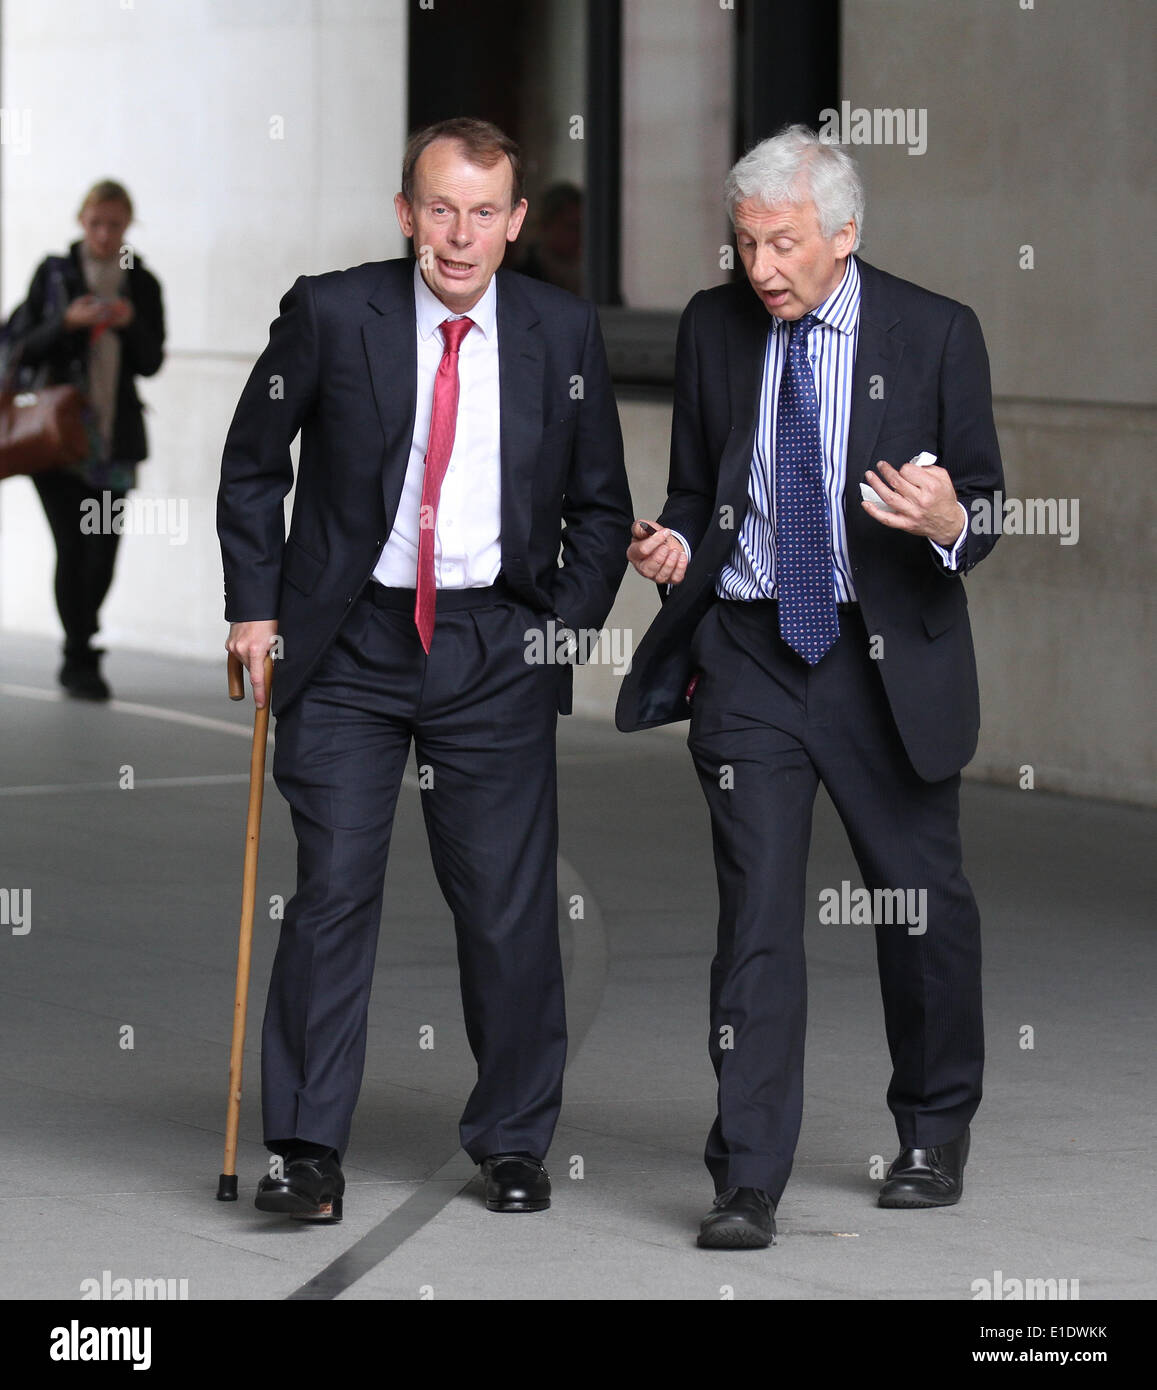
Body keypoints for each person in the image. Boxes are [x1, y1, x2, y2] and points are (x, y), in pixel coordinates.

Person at [218, 118, 631, 1223]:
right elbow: (255, 462)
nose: (459, 235)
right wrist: (255, 605)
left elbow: (600, 506)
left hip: (493, 643)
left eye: (483, 211)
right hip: (349, 641)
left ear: (514, 222)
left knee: (505, 906)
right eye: (438, 208)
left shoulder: (559, 328)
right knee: (332, 893)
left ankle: (510, 1139)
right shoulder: (330, 310)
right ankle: (304, 1150)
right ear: (406, 212)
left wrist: (561, 630)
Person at [617, 125, 1004, 1249]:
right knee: (754, 921)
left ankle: (931, 1129)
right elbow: (698, 486)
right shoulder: (712, 325)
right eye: (745, 244)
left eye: (782, 242)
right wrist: (678, 546)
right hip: (747, 654)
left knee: (917, 903)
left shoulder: (932, 333)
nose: (761, 268)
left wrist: (947, 522)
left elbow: (975, 501)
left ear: (844, 234)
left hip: (879, 663)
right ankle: (745, 1175)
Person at [5, 180, 165, 700]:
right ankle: (79, 655)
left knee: (102, 552)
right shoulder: (56, 273)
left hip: (113, 444)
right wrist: (67, 322)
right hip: (56, 440)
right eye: (96, 223)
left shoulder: (142, 282)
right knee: (72, 547)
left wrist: (129, 322)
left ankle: (82, 641)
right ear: (82, 221)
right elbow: (21, 347)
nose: (104, 234)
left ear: (127, 226)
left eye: (115, 225)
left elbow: (151, 361)